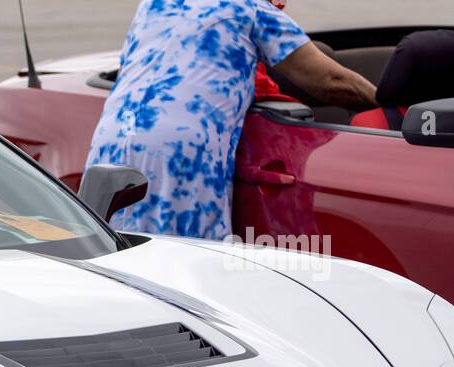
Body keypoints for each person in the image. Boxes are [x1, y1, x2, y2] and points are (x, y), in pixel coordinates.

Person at [87, 0, 377, 240]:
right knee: (185, 264)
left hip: (113, 137)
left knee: (117, 259)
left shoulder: (152, 4)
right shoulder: (251, 7)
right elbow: (328, 79)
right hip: (181, 148)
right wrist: (387, 105)